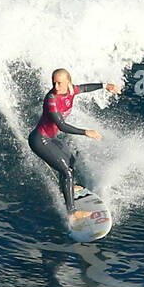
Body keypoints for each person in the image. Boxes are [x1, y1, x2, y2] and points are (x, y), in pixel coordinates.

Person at [28, 69, 121, 221]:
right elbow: (62, 125)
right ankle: (72, 213)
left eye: (60, 83)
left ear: (68, 83)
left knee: (71, 160)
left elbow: (84, 88)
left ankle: (63, 189)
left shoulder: (71, 90)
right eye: (54, 83)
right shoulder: (51, 99)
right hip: (39, 140)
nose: (56, 86)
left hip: (50, 138)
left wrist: (106, 86)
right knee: (68, 172)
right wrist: (86, 132)